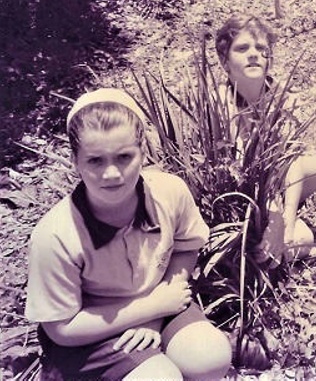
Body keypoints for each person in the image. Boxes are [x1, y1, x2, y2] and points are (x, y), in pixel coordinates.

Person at [25, 88, 232, 380]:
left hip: (161, 302)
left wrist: (156, 314)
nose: (112, 174)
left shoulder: (169, 192)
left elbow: (186, 247)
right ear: (75, 160)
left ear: (142, 152)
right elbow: (61, 329)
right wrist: (149, 308)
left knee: (209, 357)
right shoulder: (55, 236)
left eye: (124, 157)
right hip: (89, 331)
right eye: (95, 160)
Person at [215, 16, 316, 262]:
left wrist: (286, 221)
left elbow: (292, 162)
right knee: (303, 241)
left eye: (261, 49)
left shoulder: (284, 99)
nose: (254, 54)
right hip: (245, 192)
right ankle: (252, 252)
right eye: (242, 48)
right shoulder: (219, 105)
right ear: (225, 62)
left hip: (283, 180)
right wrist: (273, 218)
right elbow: (237, 170)